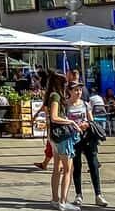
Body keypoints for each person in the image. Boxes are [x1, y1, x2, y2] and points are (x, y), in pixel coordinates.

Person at [66, 81, 107, 207]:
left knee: (93, 165)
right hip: (73, 139)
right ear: (69, 92)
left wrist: (87, 124)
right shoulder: (66, 105)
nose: (78, 93)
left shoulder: (85, 104)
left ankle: (98, 195)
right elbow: (63, 121)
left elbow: (91, 121)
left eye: (80, 90)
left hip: (87, 138)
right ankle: (79, 194)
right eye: (75, 90)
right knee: (76, 166)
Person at [46, 71, 80, 211]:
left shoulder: (54, 95)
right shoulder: (55, 96)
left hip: (55, 136)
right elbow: (54, 117)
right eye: (65, 82)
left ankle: (55, 199)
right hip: (61, 136)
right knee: (68, 169)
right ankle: (63, 201)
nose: (66, 85)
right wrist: (71, 122)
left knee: (57, 168)